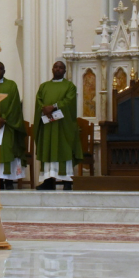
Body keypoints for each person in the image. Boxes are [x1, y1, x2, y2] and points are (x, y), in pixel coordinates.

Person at [34, 60, 82, 191]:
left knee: (63, 149)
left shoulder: (69, 86)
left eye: (61, 67)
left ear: (65, 71)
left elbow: (69, 101)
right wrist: (43, 108)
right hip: (48, 126)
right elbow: (39, 100)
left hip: (63, 126)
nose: (58, 69)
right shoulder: (44, 87)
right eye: (56, 67)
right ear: (52, 69)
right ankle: (48, 181)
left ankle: (67, 180)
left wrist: (54, 107)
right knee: (48, 149)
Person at [0, 62, 26, 190]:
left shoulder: (11, 85)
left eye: (0, 69)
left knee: (8, 149)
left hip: (8, 126)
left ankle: (9, 180)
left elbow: (15, 105)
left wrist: (3, 118)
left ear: (4, 71)